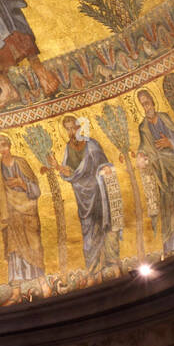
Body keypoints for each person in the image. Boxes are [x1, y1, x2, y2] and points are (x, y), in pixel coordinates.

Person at [56, 115, 120, 276]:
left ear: (79, 127)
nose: (72, 132)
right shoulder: (68, 149)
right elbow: (70, 172)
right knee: (90, 230)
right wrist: (62, 169)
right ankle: (93, 269)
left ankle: (112, 263)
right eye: (68, 129)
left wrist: (105, 168)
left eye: (74, 127)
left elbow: (104, 163)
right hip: (83, 196)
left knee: (106, 225)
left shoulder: (91, 145)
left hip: (100, 193)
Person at [0, 134, 45, 282]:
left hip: (28, 212)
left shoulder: (21, 163)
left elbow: (36, 190)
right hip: (9, 214)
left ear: (10, 145)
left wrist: (22, 184)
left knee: (34, 247)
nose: (2, 149)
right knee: (13, 250)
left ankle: (41, 282)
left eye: (4, 145)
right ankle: (16, 288)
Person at [135, 89, 174, 254]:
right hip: (162, 177)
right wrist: (140, 156)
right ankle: (171, 248)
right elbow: (144, 148)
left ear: (153, 101)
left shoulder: (165, 118)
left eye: (148, 101)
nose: (147, 106)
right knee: (167, 210)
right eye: (143, 104)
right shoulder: (143, 127)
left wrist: (170, 143)